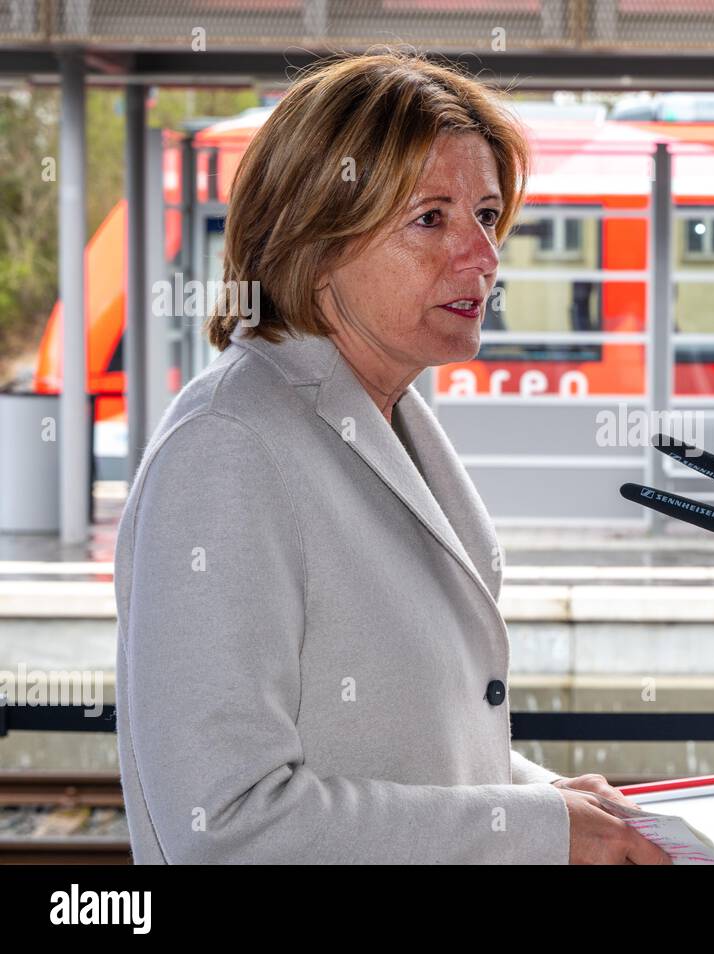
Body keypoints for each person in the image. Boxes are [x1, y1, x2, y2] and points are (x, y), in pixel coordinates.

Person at [113, 52, 670, 865]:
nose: (482, 257)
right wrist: (536, 833)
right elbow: (227, 827)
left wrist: (537, 797)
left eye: (485, 215)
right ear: (315, 234)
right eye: (430, 219)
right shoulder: (228, 448)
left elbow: (399, 747)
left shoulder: (385, 414)